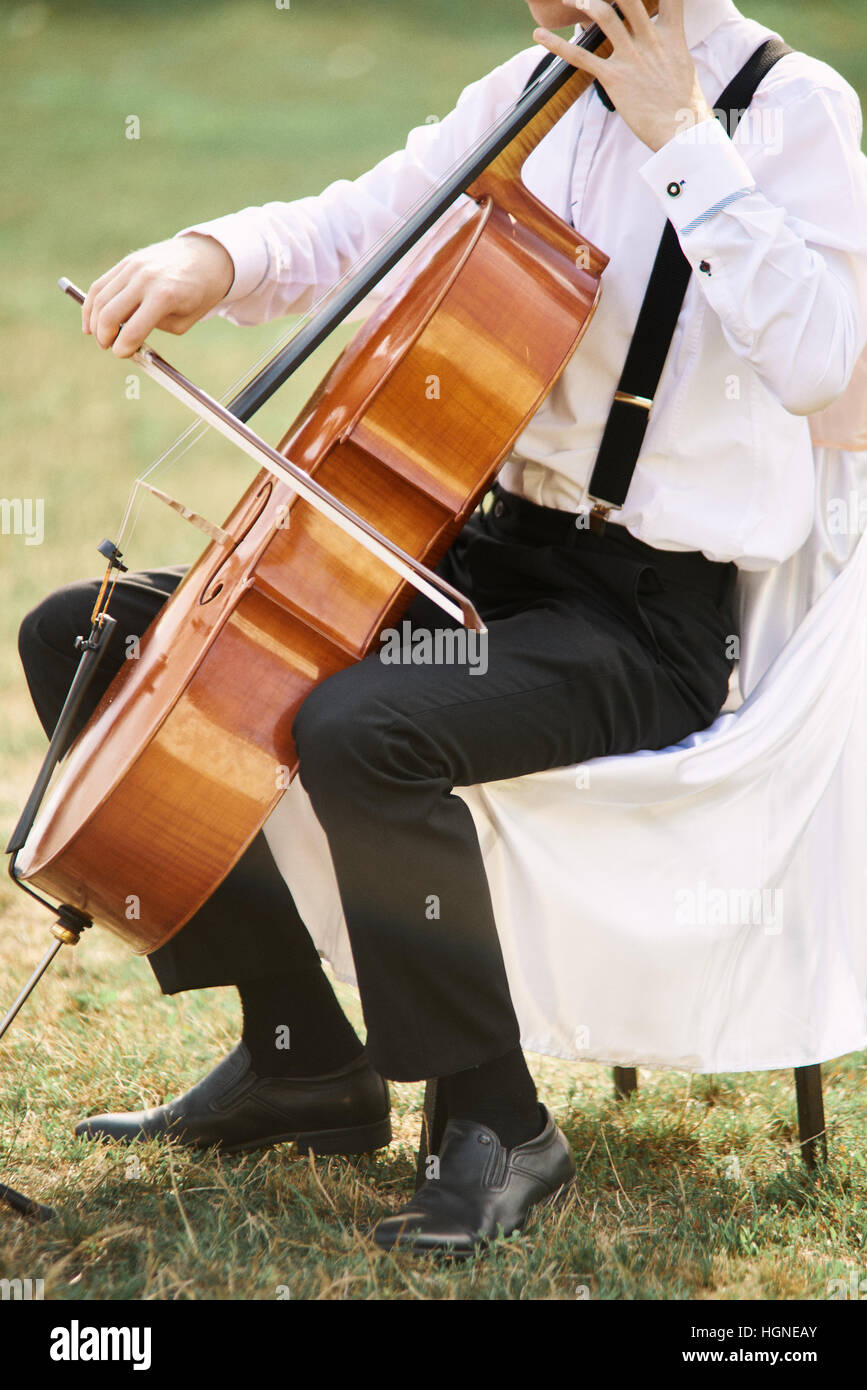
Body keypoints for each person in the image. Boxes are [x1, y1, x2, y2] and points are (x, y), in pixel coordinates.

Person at [17, 0, 867, 1255]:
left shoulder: (792, 112)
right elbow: (371, 221)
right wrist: (216, 258)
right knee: (83, 636)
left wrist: (682, 135)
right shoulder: (531, 84)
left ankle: (501, 1119)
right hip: (475, 562)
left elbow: (829, 371)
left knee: (369, 727)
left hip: (645, 618)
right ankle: (302, 1057)